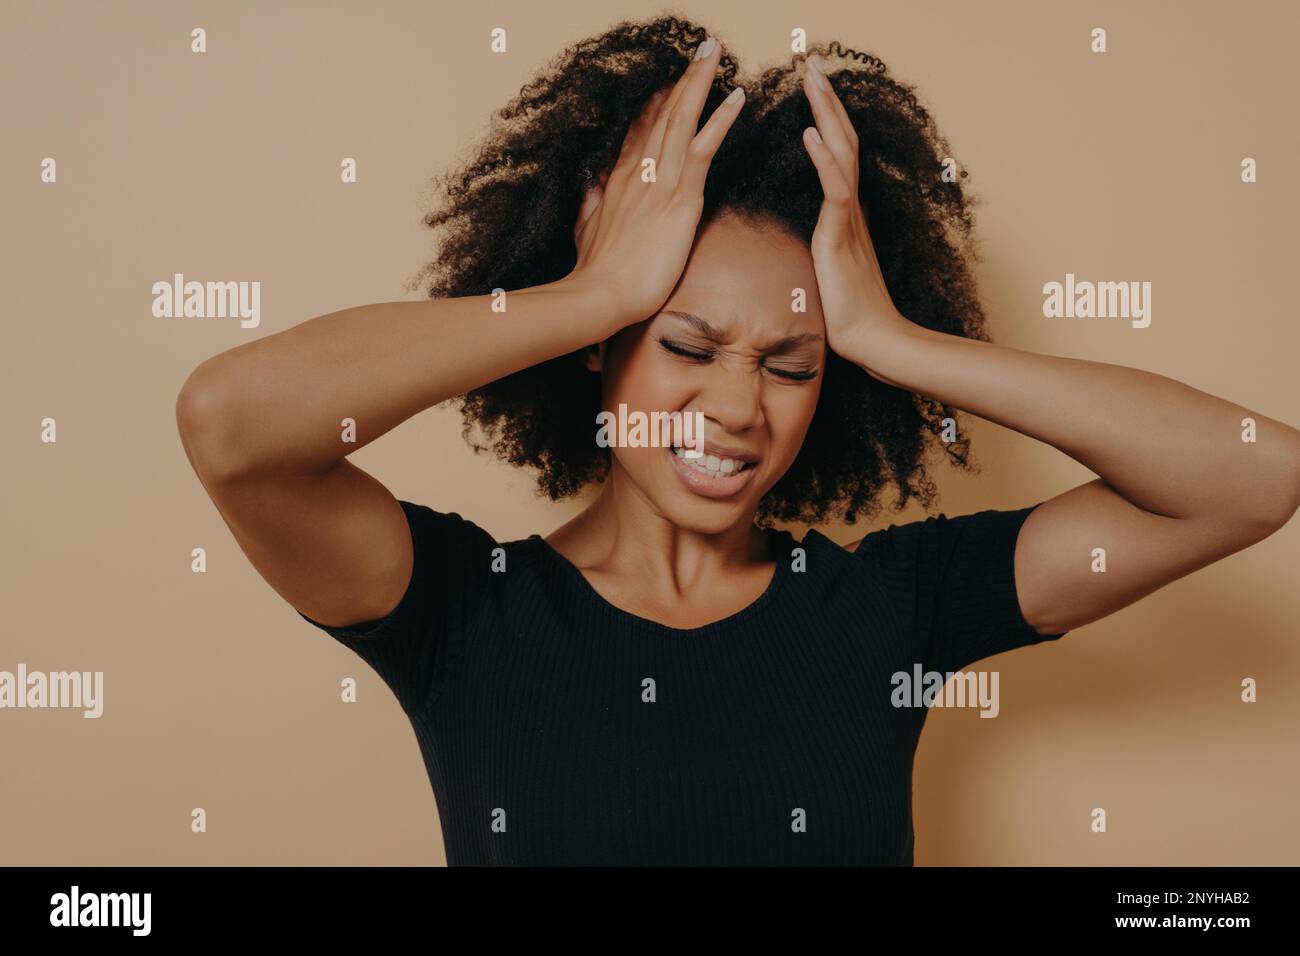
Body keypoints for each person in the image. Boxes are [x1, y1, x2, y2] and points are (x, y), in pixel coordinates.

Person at [174, 17, 1300, 865]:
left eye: (790, 363)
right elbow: (233, 423)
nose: (735, 407)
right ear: (601, 348)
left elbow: (1253, 473)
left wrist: (894, 340)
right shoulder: (463, 611)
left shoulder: (889, 608)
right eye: (686, 344)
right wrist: (589, 292)